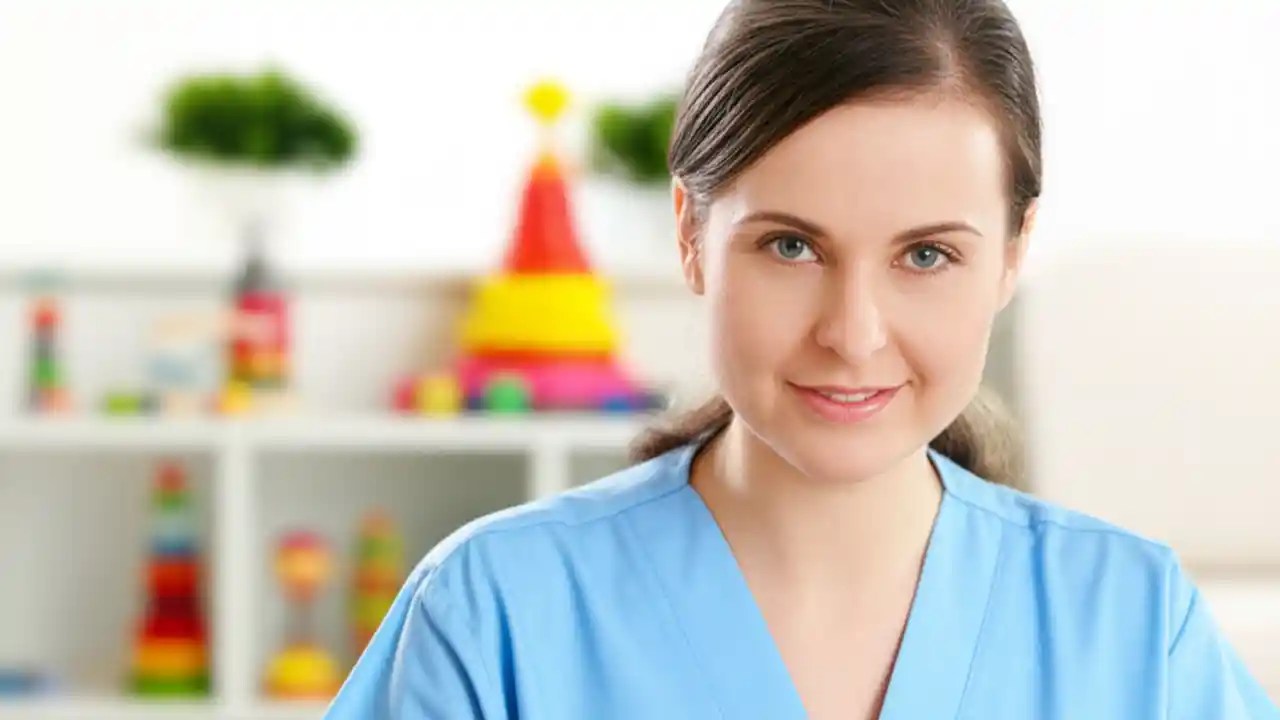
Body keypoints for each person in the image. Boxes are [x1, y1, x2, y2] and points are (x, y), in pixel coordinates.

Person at [325, 0, 1279, 717]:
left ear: (1013, 254)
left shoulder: (1135, 627)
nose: (853, 334)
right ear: (691, 235)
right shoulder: (492, 615)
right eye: (791, 247)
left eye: (926, 256)